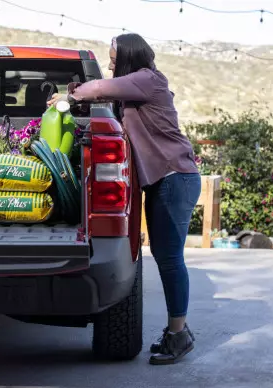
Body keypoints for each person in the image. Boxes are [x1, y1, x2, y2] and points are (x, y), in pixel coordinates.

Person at [48, 33, 201, 365]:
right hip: (164, 180)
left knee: (170, 257)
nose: (110, 63)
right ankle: (178, 331)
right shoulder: (136, 89)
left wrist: (69, 94)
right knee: (164, 254)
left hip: (175, 178)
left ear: (130, 56)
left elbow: (99, 88)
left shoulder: (148, 80)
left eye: (114, 58)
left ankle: (179, 333)